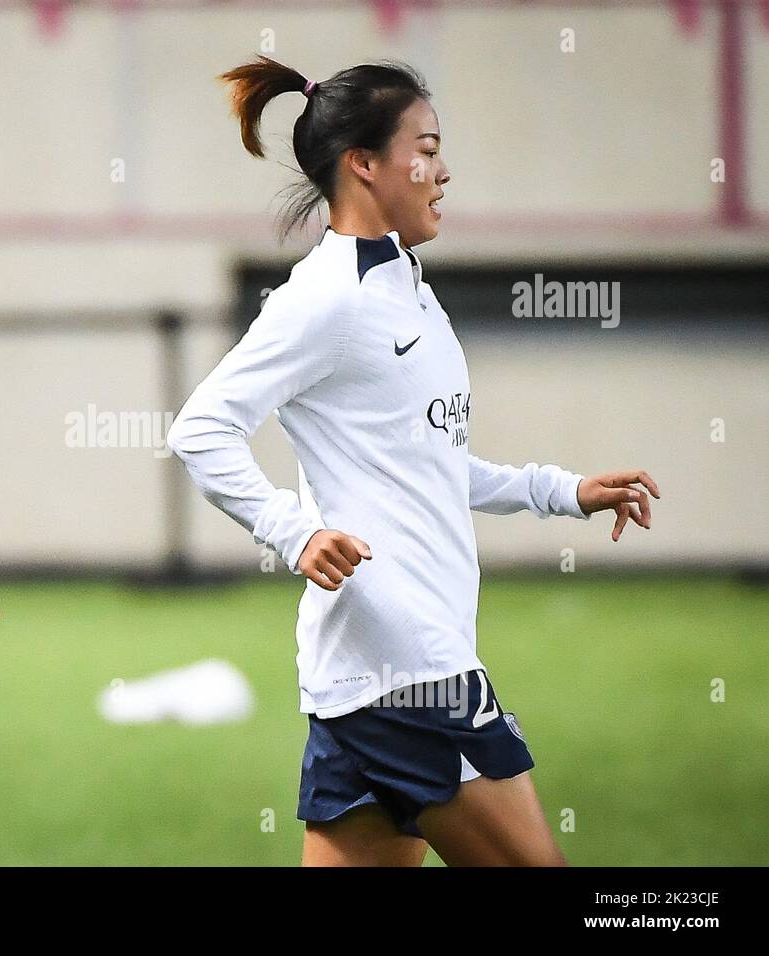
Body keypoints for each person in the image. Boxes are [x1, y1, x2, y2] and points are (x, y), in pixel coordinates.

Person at [166, 56, 660, 866]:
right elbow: (201, 428)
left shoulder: (408, 289)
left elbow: (430, 464)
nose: (443, 170)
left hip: (361, 678)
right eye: (424, 149)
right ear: (363, 163)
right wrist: (293, 532)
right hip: (413, 672)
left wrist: (562, 491)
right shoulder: (327, 298)